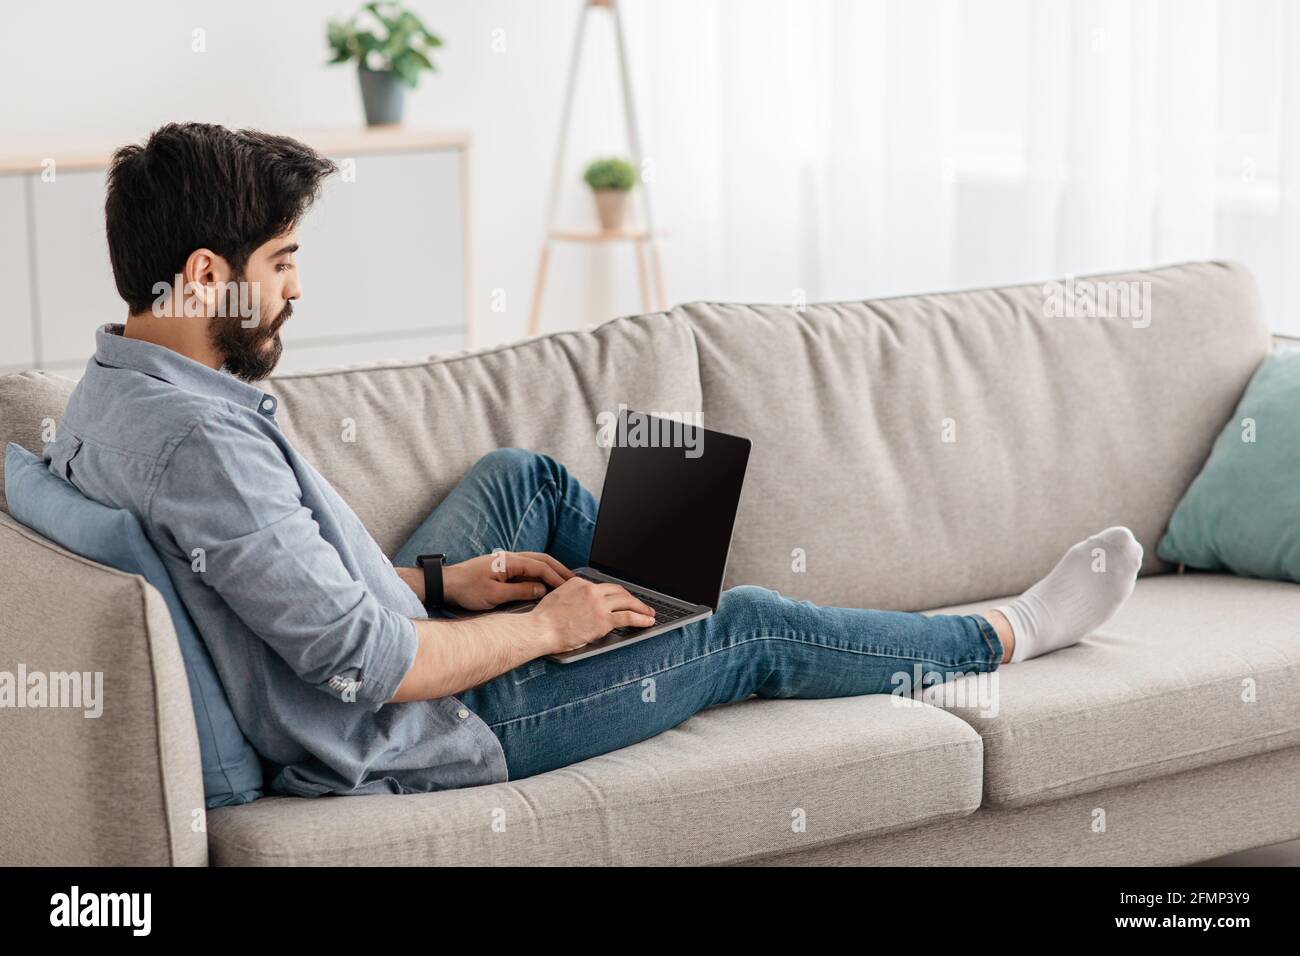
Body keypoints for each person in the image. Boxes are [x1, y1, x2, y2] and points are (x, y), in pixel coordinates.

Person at [47, 123, 1143, 797]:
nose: (296, 285)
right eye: (282, 260)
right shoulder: (200, 441)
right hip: (421, 728)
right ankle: (999, 631)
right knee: (751, 621)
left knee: (521, 476)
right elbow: (367, 663)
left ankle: (662, 628)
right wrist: (540, 628)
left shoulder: (116, 383)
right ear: (203, 273)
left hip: (391, 638)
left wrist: (441, 582)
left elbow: (277, 585)